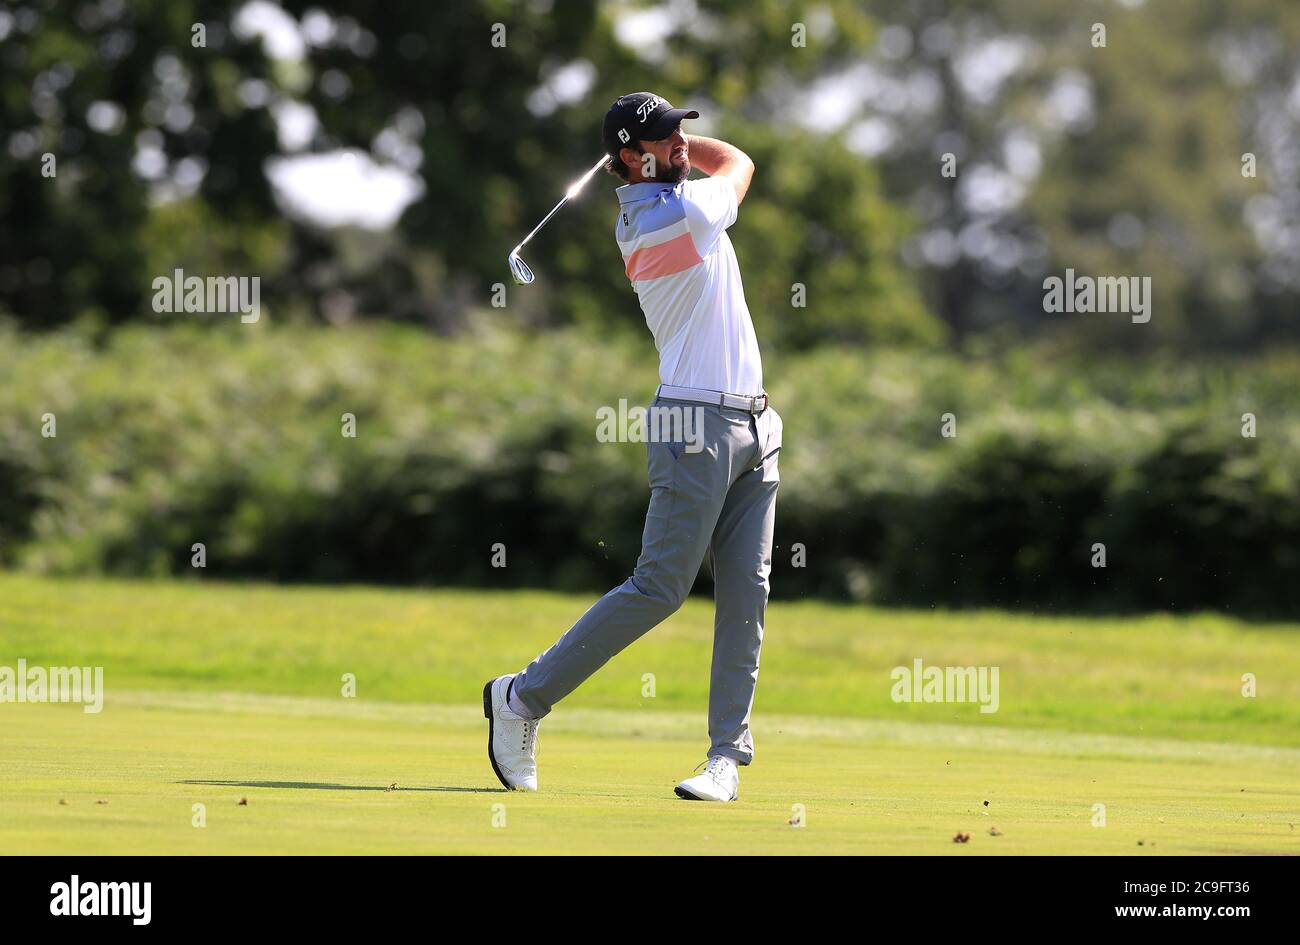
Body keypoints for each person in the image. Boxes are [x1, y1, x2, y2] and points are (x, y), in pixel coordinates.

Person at [484, 92, 782, 802]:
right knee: (660, 587)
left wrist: (668, 143)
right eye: (663, 138)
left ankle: (723, 759)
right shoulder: (667, 218)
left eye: (682, 132)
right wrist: (683, 157)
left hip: (755, 426)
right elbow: (739, 162)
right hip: (693, 426)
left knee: (748, 592)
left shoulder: (673, 193)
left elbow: (714, 160)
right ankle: (521, 697)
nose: (681, 145)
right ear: (626, 158)